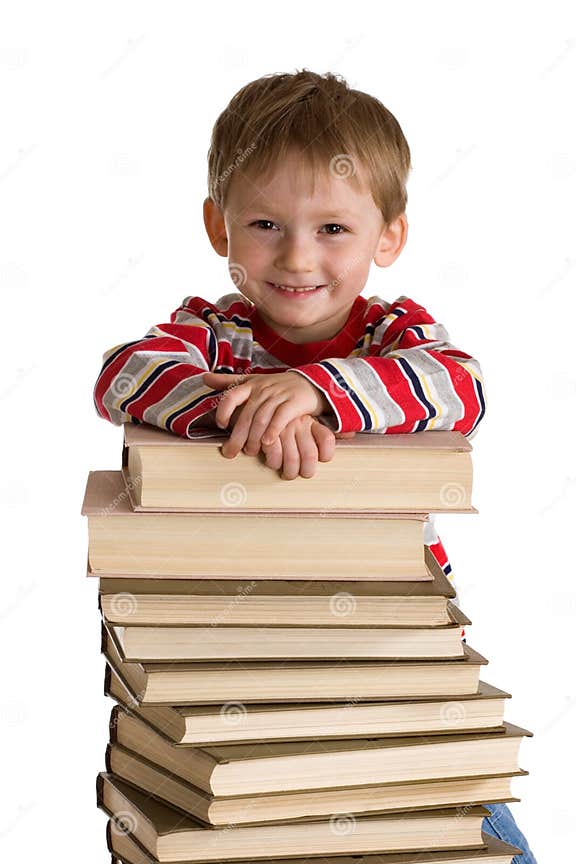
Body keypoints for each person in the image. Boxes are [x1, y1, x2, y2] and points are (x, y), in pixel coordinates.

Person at [93, 68, 536, 862]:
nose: (298, 256)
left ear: (388, 236)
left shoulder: (393, 334)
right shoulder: (209, 332)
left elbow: (460, 386)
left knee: (453, 807)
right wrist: (244, 406)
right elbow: (123, 375)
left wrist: (314, 391)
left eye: (333, 228)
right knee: (243, 807)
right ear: (218, 226)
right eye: (265, 223)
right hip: (230, 647)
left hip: (388, 640)